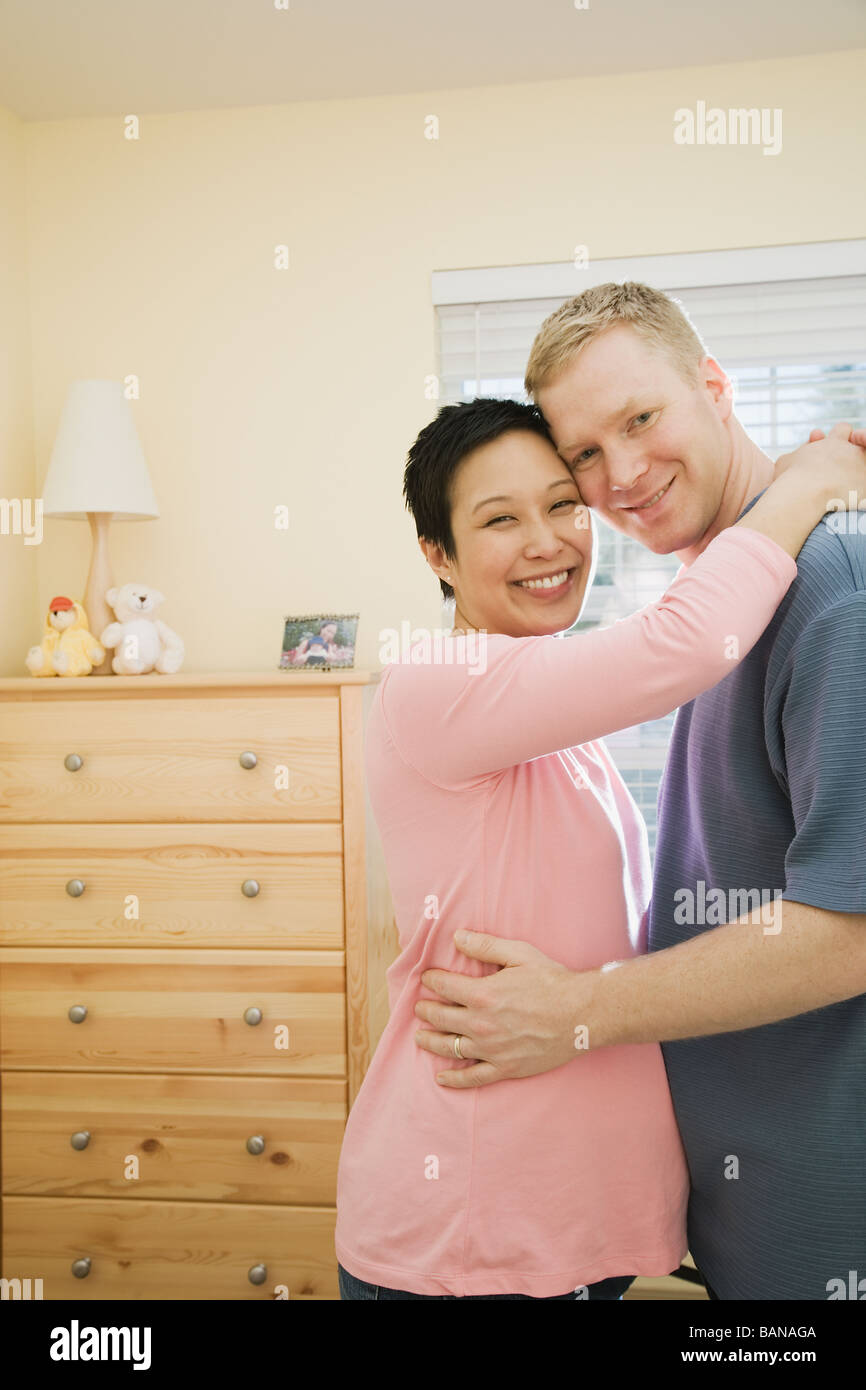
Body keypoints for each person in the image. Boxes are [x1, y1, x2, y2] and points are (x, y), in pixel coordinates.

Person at [334, 389, 866, 1299]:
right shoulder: (440, 683)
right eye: (500, 519)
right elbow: (688, 641)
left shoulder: (549, 716)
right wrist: (807, 481)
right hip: (470, 1240)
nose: (548, 542)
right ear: (439, 555)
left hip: (575, 1236)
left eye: (562, 505)